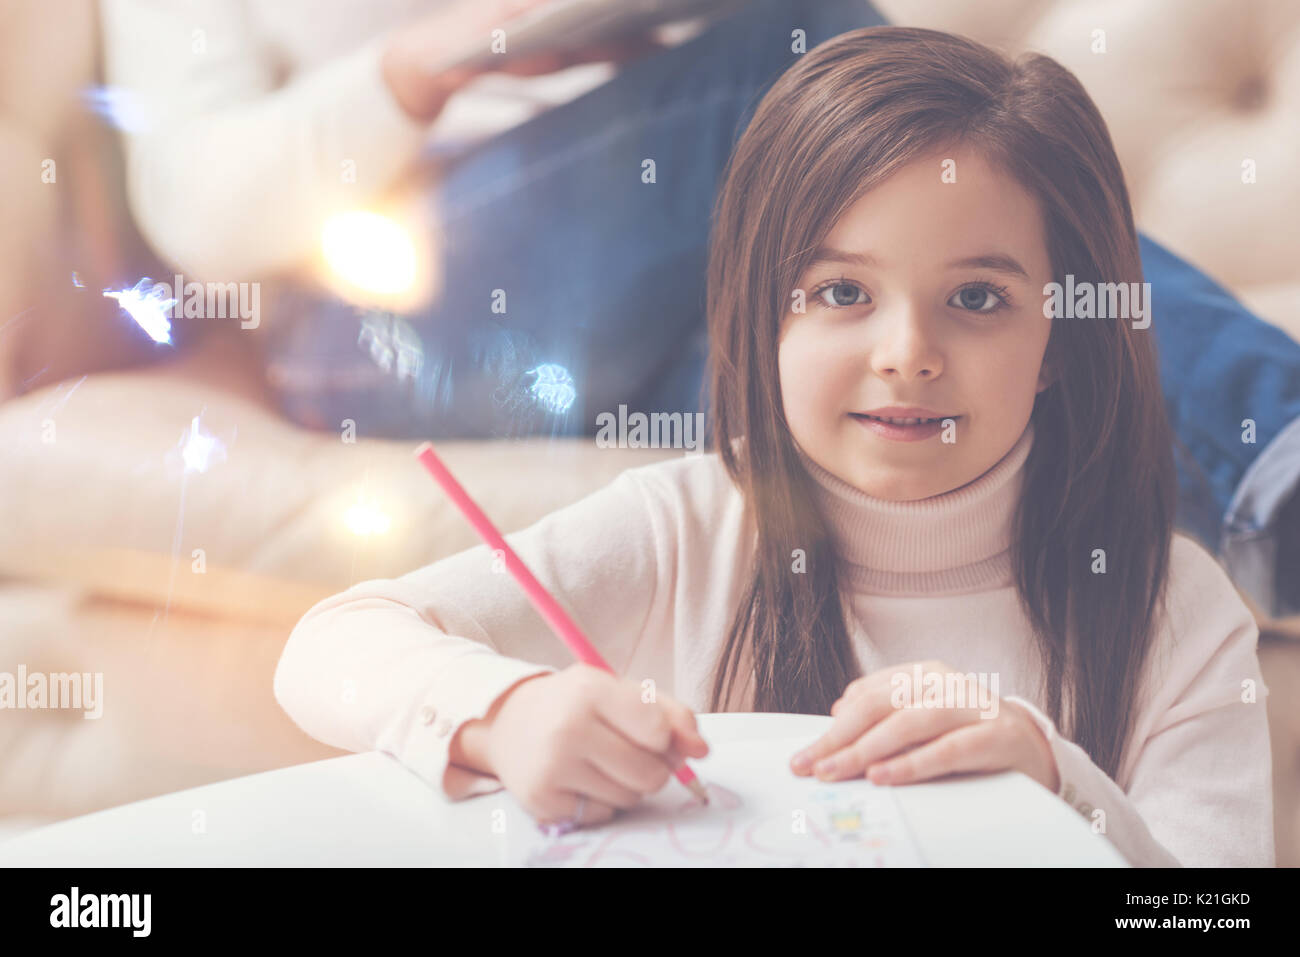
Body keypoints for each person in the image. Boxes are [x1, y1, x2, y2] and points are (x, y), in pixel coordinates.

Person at [274, 26, 1275, 866]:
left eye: (977, 299)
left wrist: (1055, 783)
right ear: (762, 319)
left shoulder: (1172, 606)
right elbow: (333, 645)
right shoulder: (687, 526)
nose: (907, 355)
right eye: (842, 293)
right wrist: (505, 712)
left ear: (1057, 341)